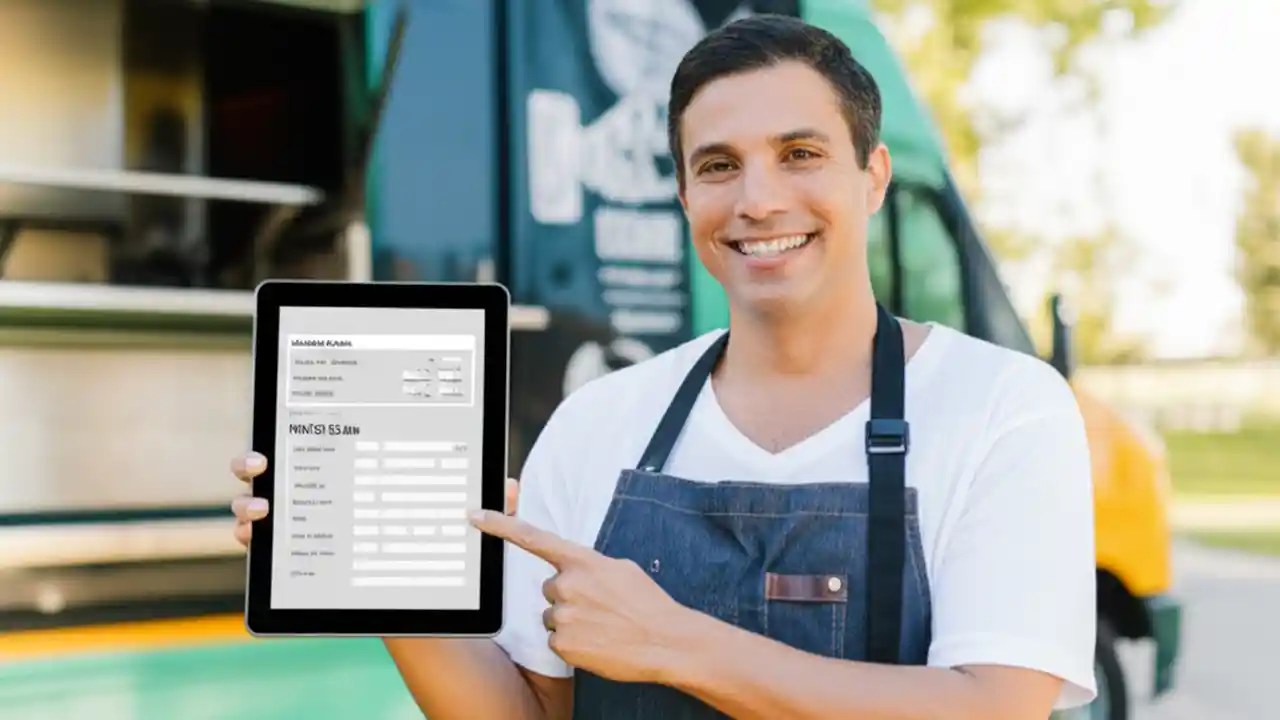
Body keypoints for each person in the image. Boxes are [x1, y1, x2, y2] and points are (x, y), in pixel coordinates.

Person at [230, 15, 1096, 720]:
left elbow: (991, 708)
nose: (757, 198)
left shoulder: (1003, 407)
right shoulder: (600, 422)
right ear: (684, 196)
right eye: (718, 166)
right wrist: (378, 572)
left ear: (873, 177)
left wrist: (674, 643)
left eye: (800, 154)